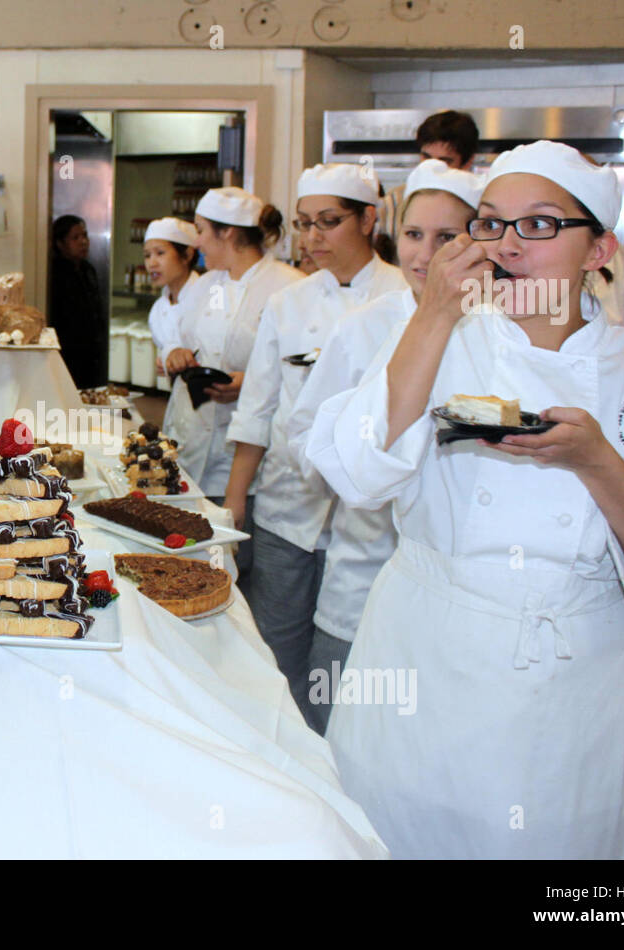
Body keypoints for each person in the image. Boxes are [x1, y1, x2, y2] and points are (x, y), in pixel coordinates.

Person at [306, 140, 624, 858]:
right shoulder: (436, 340)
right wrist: (433, 315)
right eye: (491, 224)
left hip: (580, 682)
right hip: (429, 661)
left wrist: (598, 464)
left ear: (599, 249)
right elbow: (355, 470)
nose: (508, 245)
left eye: (540, 225)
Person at [283, 159, 483, 733]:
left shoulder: (500, 333)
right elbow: (303, 436)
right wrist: (365, 462)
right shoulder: (365, 326)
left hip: (456, 606)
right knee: (334, 741)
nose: (424, 256)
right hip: (359, 586)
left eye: (447, 238)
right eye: (415, 236)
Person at [224, 165, 406, 704]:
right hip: (287, 506)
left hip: (370, 525)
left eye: (329, 222)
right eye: (305, 224)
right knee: (274, 653)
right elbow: (258, 408)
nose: (313, 238)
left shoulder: (404, 299)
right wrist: (236, 500)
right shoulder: (289, 303)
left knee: (348, 666)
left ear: (368, 219)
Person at [162, 187, 302, 545]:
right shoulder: (206, 284)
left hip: (244, 451)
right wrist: (175, 352)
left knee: (235, 551)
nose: (197, 241)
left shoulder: (288, 287)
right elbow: (178, 338)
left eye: (202, 230)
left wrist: (251, 381)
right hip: (190, 436)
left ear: (227, 232)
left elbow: (302, 371)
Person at [377, 109, 479, 245]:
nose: (431, 167)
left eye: (445, 161)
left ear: (468, 163)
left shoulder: (477, 207)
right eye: (426, 157)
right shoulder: (393, 203)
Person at [49, 214, 108, 387]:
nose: (83, 242)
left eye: (85, 236)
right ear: (60, 243)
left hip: (91, 350)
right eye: (75, 238)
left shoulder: (88, 270)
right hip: (67, 351)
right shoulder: (54, 273)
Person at [142, 217, 203, 379]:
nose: (151, 263)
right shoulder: (157, 310)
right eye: (147, 255)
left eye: (160, 253)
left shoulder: (209, 296)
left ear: (187, 255)